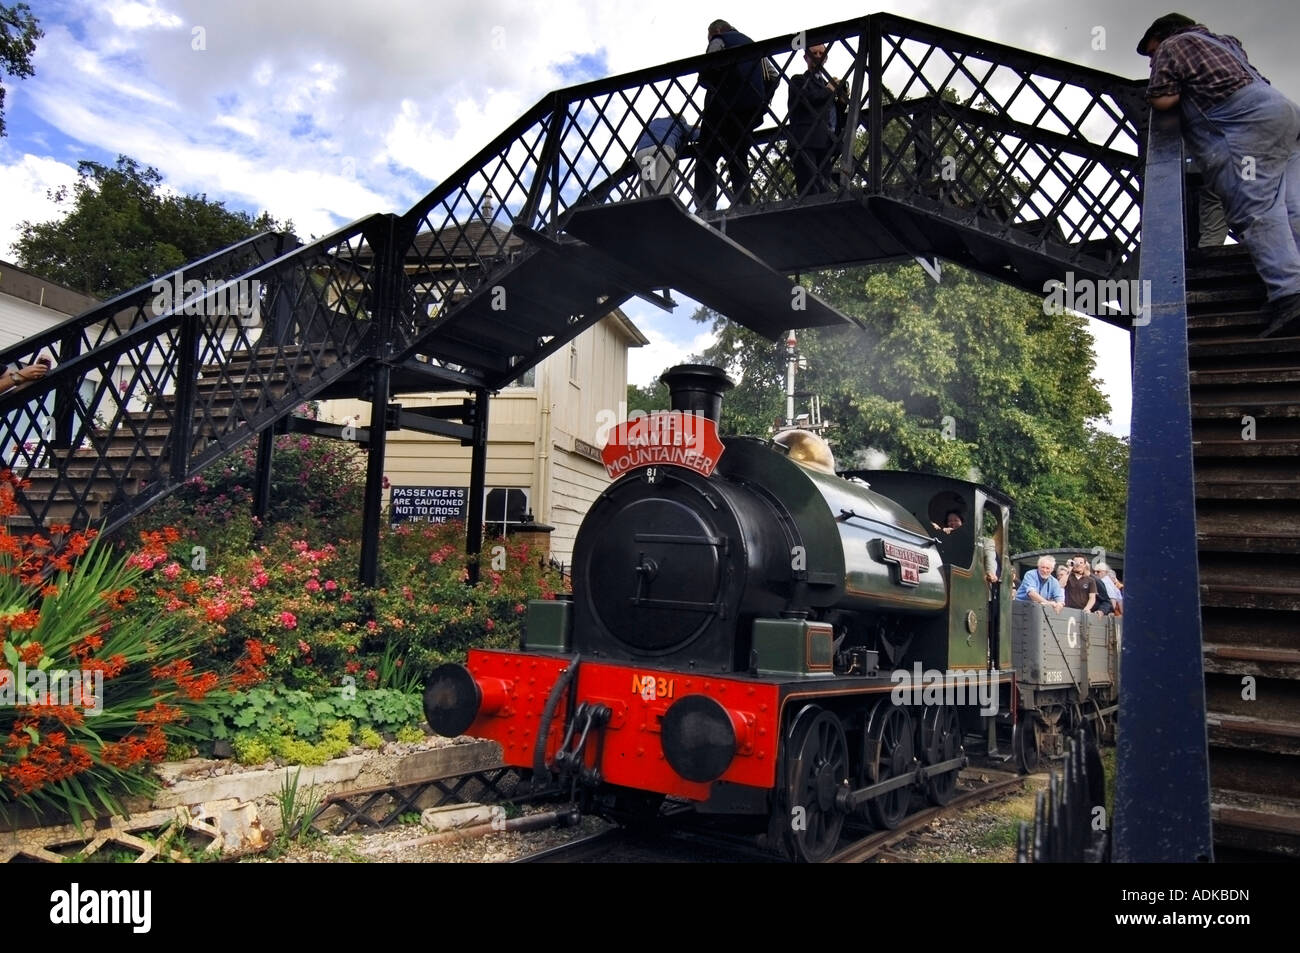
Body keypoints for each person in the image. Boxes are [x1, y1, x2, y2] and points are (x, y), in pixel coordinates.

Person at [1138, 14, 1300, 337]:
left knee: (1258, 209)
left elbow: (1163, 97)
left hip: (1247, 123)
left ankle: (1290, 296)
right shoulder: (1225, 41)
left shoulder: (1174, 45)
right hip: (1283, 114)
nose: (1153, 60)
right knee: (1292, 206)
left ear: (1163, 35)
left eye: (1151, 53)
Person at [695, 19, 767, 212]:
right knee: (738, 156)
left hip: (721, 107)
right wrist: (762, 102)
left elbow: (708, 67)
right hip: (747, 110)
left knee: (706, 156)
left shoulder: (720, 39)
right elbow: (773, 76)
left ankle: (705, 205)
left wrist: (710, 81)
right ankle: (743, 203)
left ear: (716, 30)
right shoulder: (753, 44)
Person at [786, 42, 847, 197]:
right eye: (814, 54)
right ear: (806, 57)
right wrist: (829, 90)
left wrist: (841, 100)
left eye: (821, 54)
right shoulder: (798, 80)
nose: (818, 57)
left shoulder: (826, 83)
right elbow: (807, 100)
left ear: (826, 58)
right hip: (806, 141)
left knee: (823, 190)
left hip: (826, 141)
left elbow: (834, 112)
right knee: (809, 190)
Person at [633, 115, 693, 198]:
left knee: (647, 194)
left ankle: (648, 210)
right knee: (662, 191)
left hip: (641, 153)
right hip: (663, 150)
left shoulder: (655, 122)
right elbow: (697, 133)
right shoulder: (679, 123)